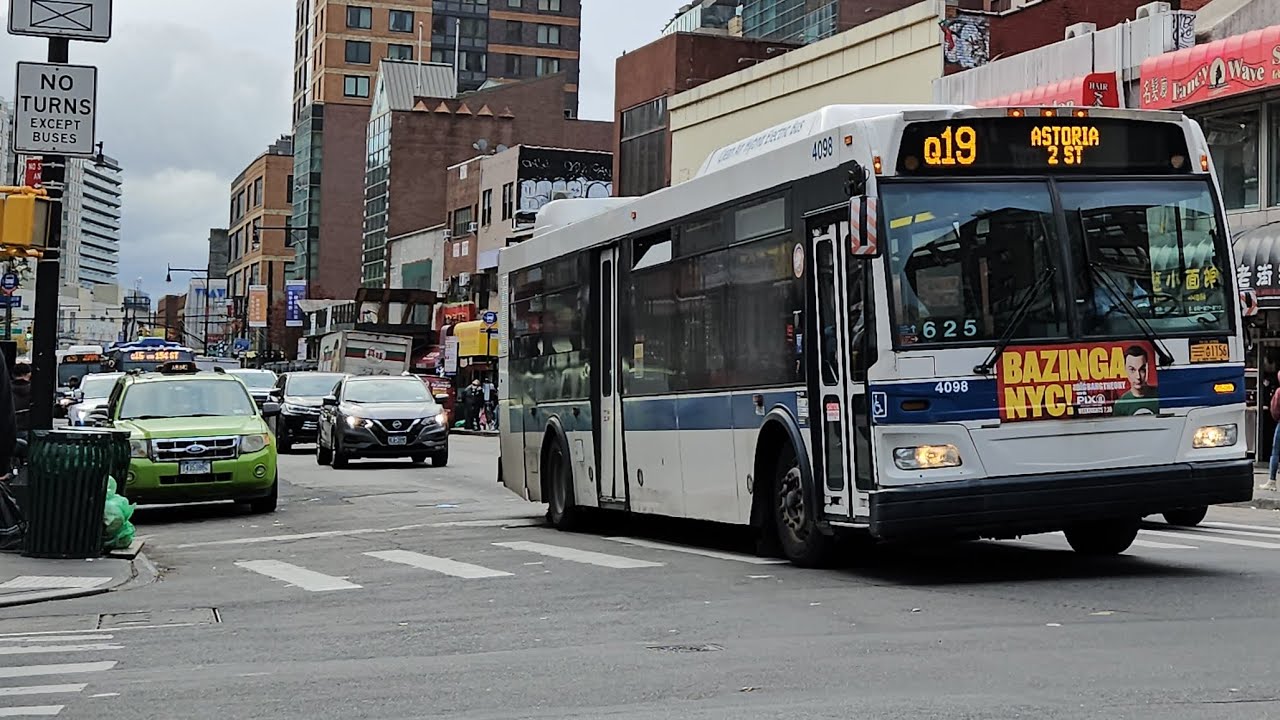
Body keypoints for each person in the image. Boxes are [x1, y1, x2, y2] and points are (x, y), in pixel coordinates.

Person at [1112, 345, 1159, 417]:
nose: (1138, 376)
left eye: (1142, 369)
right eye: (1132, 370)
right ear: (1125, 370)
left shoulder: (1161, 396)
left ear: (1147, 369)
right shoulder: (1121, 405)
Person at [10, 363, 30, 437]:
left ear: (13, 375)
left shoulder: (5, 389)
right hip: (29, 430)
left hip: (10, 429)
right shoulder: (37, 390)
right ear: (29, 374)